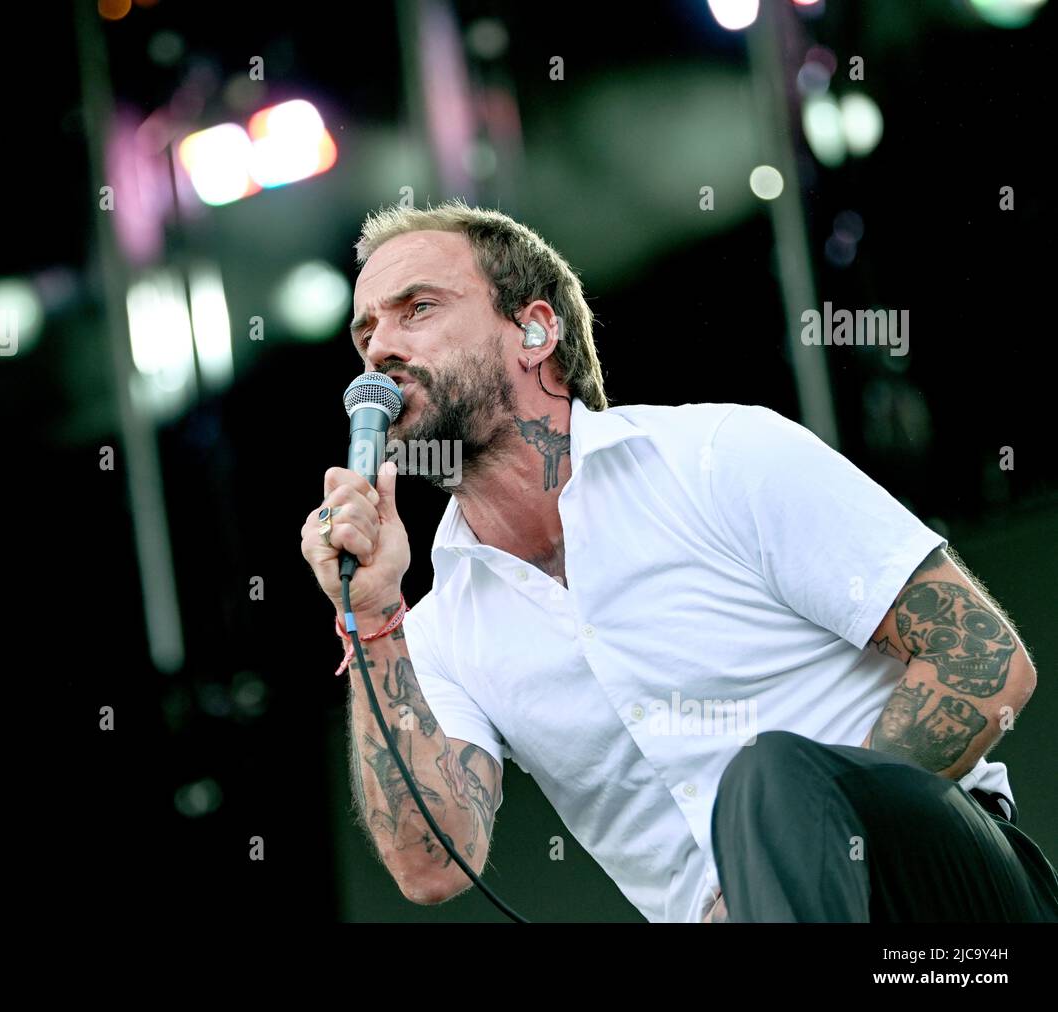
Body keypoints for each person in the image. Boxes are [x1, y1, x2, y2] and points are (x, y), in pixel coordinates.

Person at [299, 198, 1058, 921]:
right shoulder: (436, 632)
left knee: (768, 780)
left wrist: (803, 855)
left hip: (941, 890)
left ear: (535, 332)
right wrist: (370, 619)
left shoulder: (719, 458)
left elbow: (984, 661)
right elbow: (432, 865)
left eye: (418, 309)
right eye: (366, 332)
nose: (382, 347)